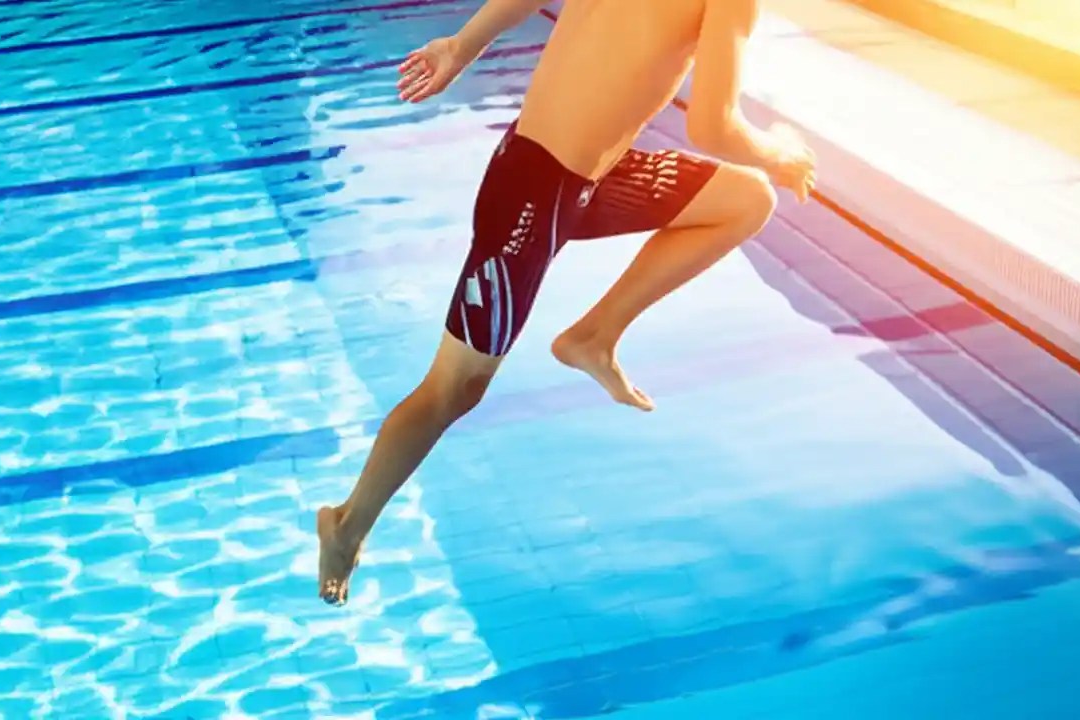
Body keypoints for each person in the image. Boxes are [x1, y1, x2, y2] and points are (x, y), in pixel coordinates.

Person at [318, 0, 816, 605]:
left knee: (743, 200)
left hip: (580, 181)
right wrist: (781, 152)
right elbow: (712, 127)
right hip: (534, 197)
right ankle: (346, 526)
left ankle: (594, 336)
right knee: (454, 389)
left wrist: (463, 44)